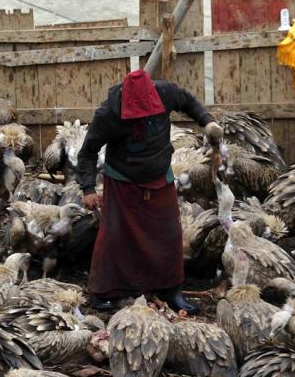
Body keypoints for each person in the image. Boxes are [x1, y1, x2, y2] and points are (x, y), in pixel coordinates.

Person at [76, 69, 223, 313]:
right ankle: (106, 292)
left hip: (159, 176)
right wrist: (88, 188)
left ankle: (171, 289)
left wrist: (208, 122)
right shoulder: (109, 112)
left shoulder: (165, 92)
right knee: (115, 236)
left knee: (170, 234)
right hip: (122, 179)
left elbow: (189, 102)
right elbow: (88, 151)